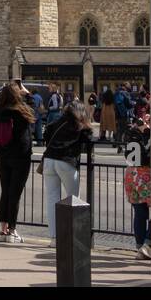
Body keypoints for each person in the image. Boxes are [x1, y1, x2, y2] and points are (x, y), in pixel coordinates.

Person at [41, 100, 93, 241]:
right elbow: (89, 140)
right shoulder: (80, 125)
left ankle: (54, 237)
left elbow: (46, 133)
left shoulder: (58, 122)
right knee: (73, 199)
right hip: (66, 161)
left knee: (52, 199)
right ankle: (72, 236)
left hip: (49, 160)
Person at [0, 83, 34, 243]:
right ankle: (12, 231)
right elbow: (33, 111)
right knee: (15, 194)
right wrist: (27, 94)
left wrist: (6, 91)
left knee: (5, 191)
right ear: (17, 95)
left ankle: (3, 230)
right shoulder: (20, 111)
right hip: (20, 156)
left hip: (2, 155)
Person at [123, 116, 151, 258]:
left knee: (140, 213)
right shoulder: (148, 135)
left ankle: (140, 245)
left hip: (130, 174)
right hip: (146, 174)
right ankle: (148, 243)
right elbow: (149, 155)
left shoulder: (131, 133)